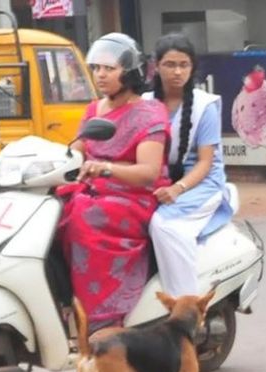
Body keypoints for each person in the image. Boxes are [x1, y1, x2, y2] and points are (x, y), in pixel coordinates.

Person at [57, 33, 171, 329]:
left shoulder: (149, 114)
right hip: (92, 189)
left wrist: (106, 168)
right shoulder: (93, 110)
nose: (101, 74)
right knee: (52, 208)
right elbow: (75, 150)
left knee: (84, 214)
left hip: (133, 197)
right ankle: (64, 298)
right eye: (97, 68)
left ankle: (102, 315)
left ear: (130, 73)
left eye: (110, 68)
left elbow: (148, 172)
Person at [145, 34, 235, 297]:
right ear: (156, 66)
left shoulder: (204, 106)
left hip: (201, 184)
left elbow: (206, 163)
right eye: (170, 64)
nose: (177, 72)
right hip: (159, 180)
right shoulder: (145, 103)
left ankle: (185, 302)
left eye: (183, 65)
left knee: (164, 224)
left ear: (192, 67)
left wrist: (178, 189)